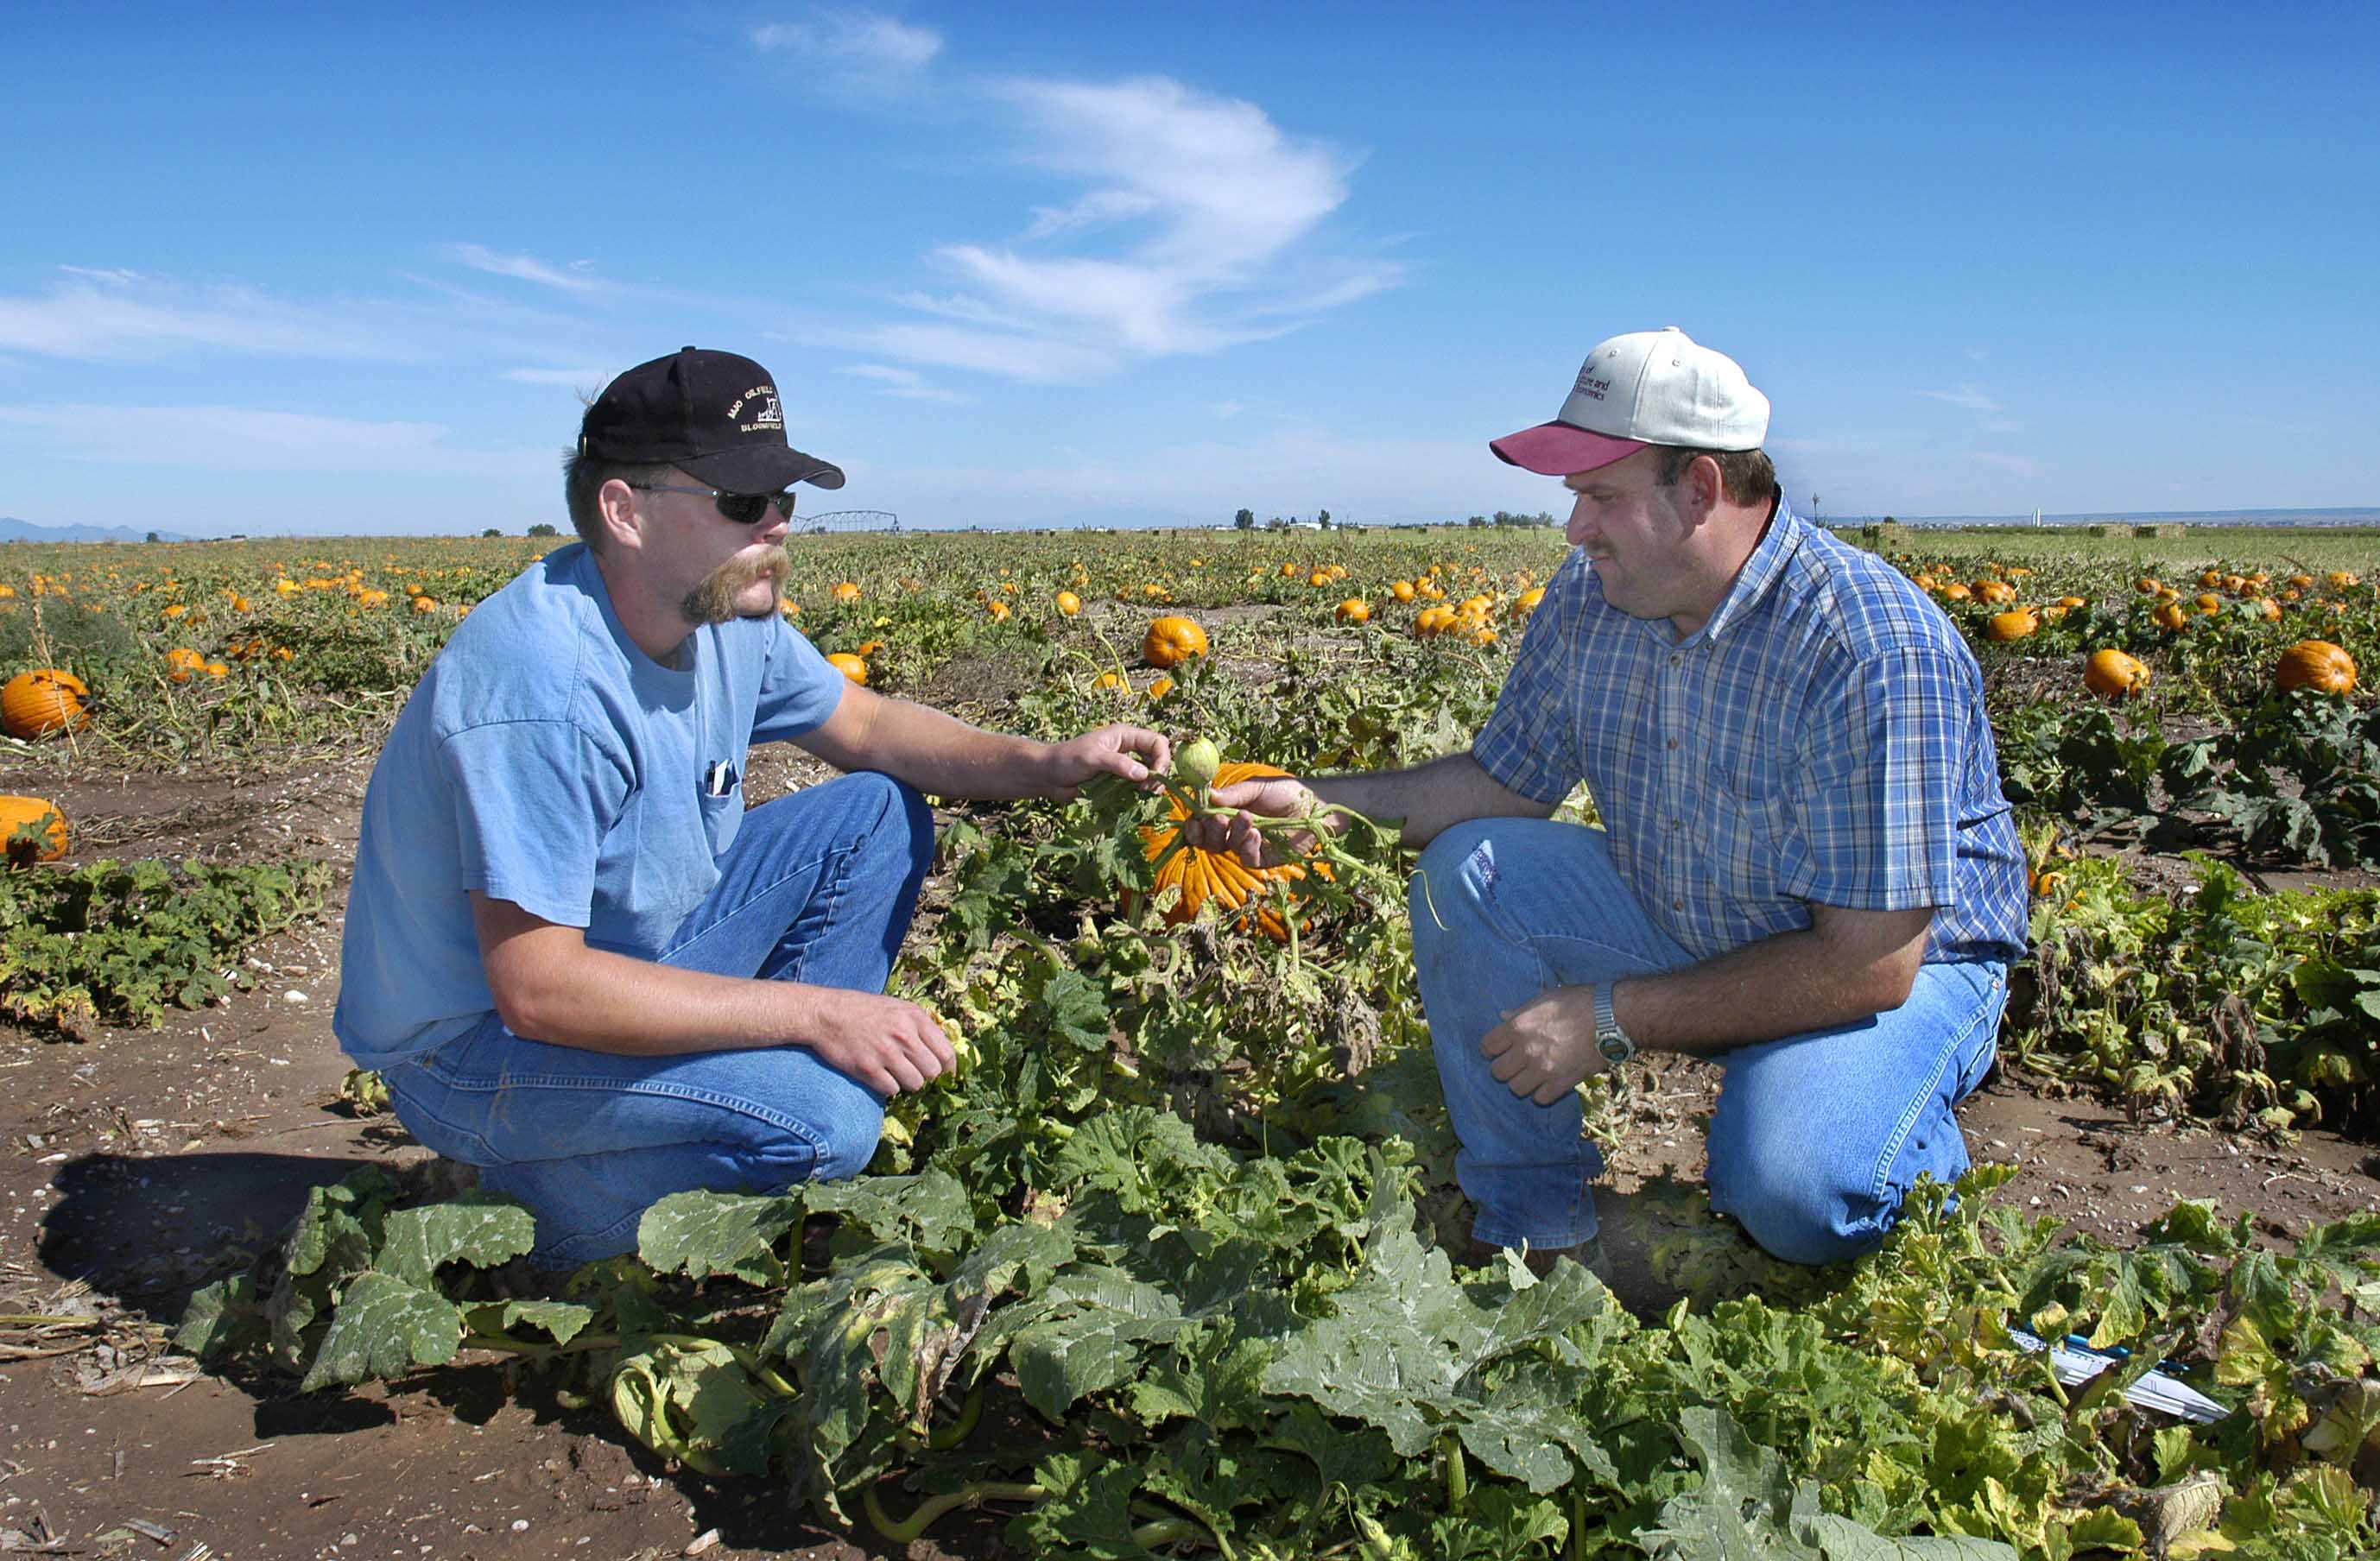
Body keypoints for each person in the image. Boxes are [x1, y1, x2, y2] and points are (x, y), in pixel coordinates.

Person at [1196, 327, 2027, 1268]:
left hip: (1896, 966)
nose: (1572, 529)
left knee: (1801, 1185)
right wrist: (1317, 806)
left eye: (1599, 496)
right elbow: (1496, 783)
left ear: (1700, 490)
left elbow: (1866, 964)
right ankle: (1533, 1228)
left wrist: (1609, 1015)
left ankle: (1901, 1150)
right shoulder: (1591, 599)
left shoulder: (1867, 648)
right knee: (1465, 870)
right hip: (1694, 909)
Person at [332, 346, 1169, 1268]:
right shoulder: (542, 691)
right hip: (474, 1047)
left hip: (620, 961)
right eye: (741, 501)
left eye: (783, 499)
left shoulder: (723, 614)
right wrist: (812, 1013)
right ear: (625, 511)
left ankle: (741, 1108)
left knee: (875, 815)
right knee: (826, 1126)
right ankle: (513, 1220)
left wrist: (1049, 761)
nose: (774, 526)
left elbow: (867, 723)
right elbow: (538, 989)